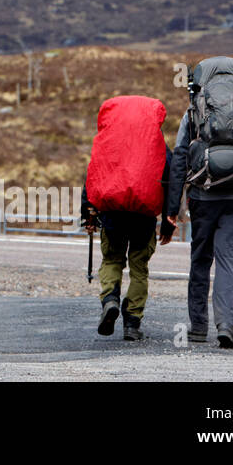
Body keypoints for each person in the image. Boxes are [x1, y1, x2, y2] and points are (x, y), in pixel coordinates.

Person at [161, 56, 233, 350]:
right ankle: (226, 325)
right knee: (228, 261)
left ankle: (197, 328)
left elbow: (179, 159)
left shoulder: (193, 113)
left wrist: (173, 208)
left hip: (202, 198)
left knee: (201, 260)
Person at [80, 95, 172, 341]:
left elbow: (92, 174)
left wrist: (87, 213)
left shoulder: (107, 140)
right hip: (143, 217)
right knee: (139, 268)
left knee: (112, 260)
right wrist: (169, 219)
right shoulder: (159, 145)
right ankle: (132, 323)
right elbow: (171, 181)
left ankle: (110, 299)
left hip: (112, 214)